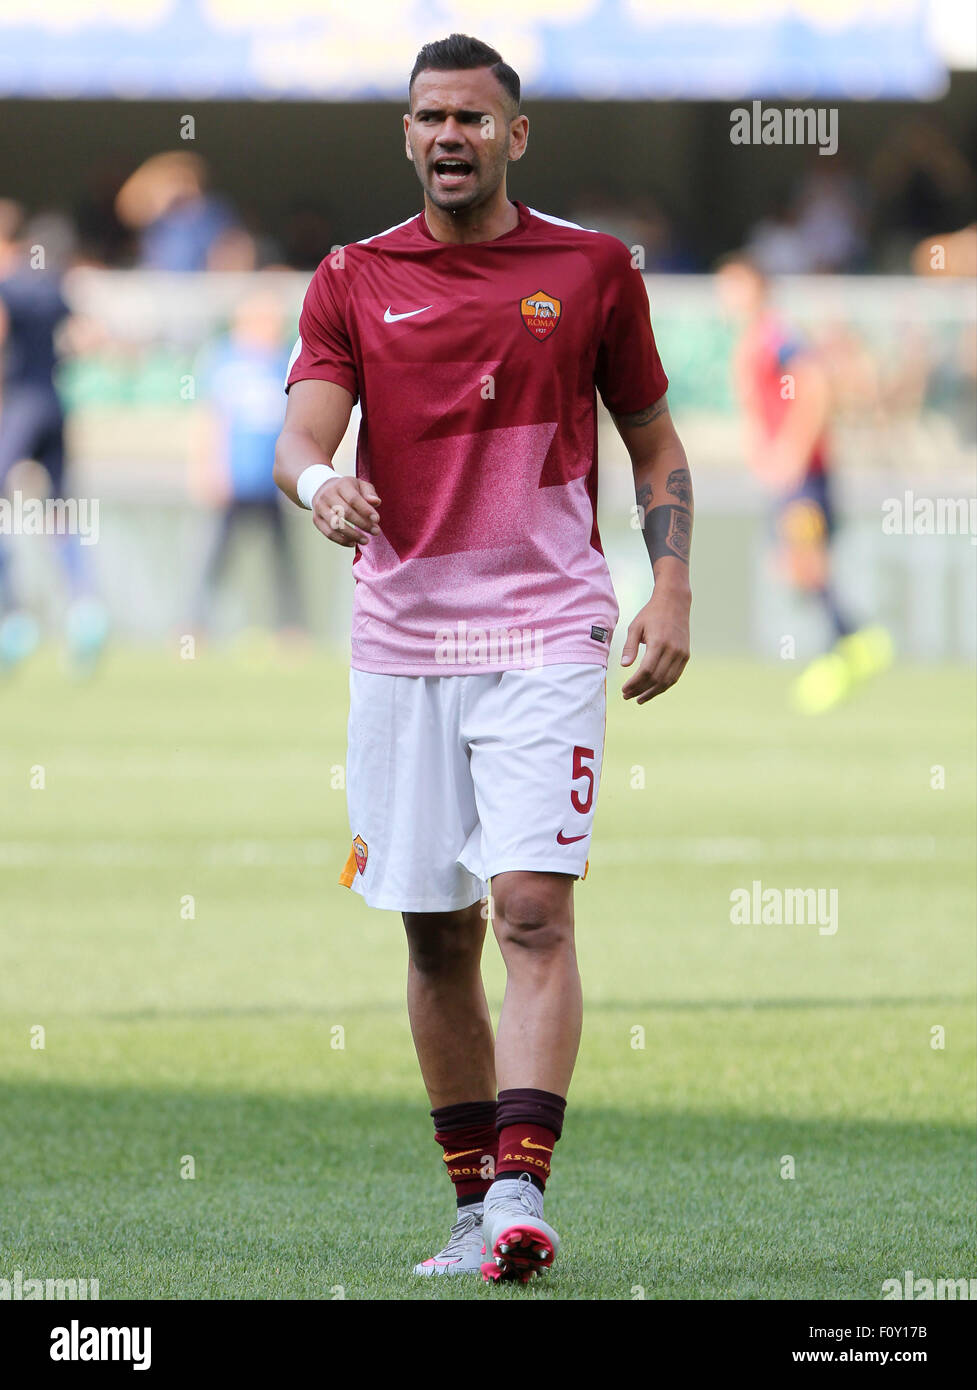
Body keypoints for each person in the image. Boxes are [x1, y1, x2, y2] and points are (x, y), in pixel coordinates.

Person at [274, 33, 693, 1284]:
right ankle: (469, 1205)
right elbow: (302, 427)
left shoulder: (592, 267)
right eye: (425, 118)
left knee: (529, 910)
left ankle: (521, 1191)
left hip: (545, 630)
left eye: (469, 117)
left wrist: (669, 585)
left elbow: (652, 439)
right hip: (401, 641)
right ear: (403, 137)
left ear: (515, 136)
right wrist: (317, 484)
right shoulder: (351, 278)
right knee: (429, 929)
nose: (446, 136)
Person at [715, 250, 891, 712]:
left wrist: (791, 450)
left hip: (803, 473)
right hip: (788, 475)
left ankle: (851, 643)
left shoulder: (777, 335)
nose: (726, 297)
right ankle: (848, 643)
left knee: (802, 558)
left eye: (734, 286)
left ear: (757, 289)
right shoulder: (752, 340)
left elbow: (814, 384)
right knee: (792, 563)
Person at [0, 199, 107, 673]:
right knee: (60, 510)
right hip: (54, 405)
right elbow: (87, 337)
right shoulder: (56, 288)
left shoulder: (12, 287)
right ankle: (84, 608)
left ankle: (13, 617)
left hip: (19, 406)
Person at [190, 292, 303, 636]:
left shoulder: (283, 362)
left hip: (272, 482)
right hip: (234, 479)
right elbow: (210, 419)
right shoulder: (223, 360)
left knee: (282, 564)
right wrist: (209, 468)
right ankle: (194, 627)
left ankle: (291, 630)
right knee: (212, 559)